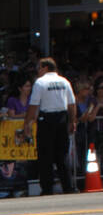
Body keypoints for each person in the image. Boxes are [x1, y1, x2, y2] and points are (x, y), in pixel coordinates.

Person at [22, 56, 76, 194]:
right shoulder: (65, 82)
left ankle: (47, 188)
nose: (38, 71)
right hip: (62, 119)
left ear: (45, 68)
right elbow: (71, 104)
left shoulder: (40, 83)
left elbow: (33, 105)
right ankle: (68, 186)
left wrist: (27, 123)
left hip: (46, 120)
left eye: (39, 68)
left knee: (45, 156)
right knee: (62, 155)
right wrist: (72, 121)